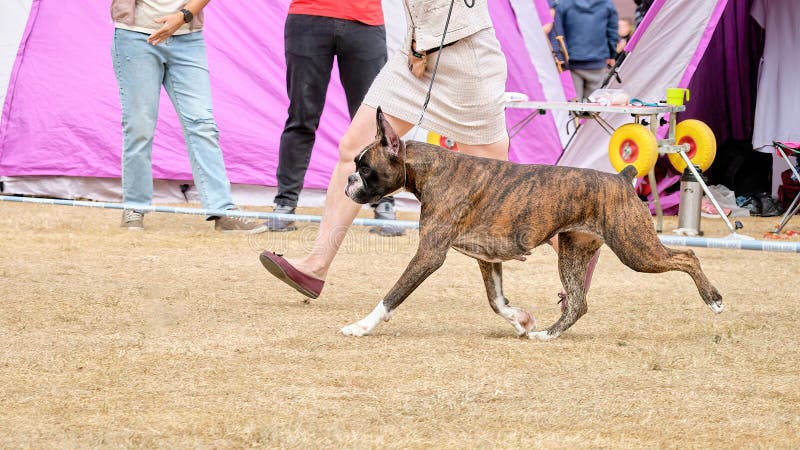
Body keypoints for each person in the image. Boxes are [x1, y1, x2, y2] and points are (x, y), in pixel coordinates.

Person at [259, 0, 511, 299]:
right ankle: (316, 265)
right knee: (355, 148)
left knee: (500, 184)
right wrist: (418, 47)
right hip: (417, 53)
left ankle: (570, 239)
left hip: (465, 56)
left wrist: (422, 48)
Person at [110, 0, 262, 232]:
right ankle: (134, 208)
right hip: (135, 38)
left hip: (188, 39)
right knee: (139, 126)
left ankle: (223, 211)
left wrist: (183, 15)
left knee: (203, 124)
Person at [261, 0, 404, 236]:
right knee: (301, 117)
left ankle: (383, 204)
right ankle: (284, 205)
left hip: (365, 22)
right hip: (308, 17)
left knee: (375, 124)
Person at [555, 0, 619, 101]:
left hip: (571, 62)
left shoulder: (564, 4)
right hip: (598, 61)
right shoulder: (607, 4)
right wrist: (611, 55)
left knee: (573, 106)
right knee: (594, 106)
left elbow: (557, 32)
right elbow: (612, 32)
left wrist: (560, 57)